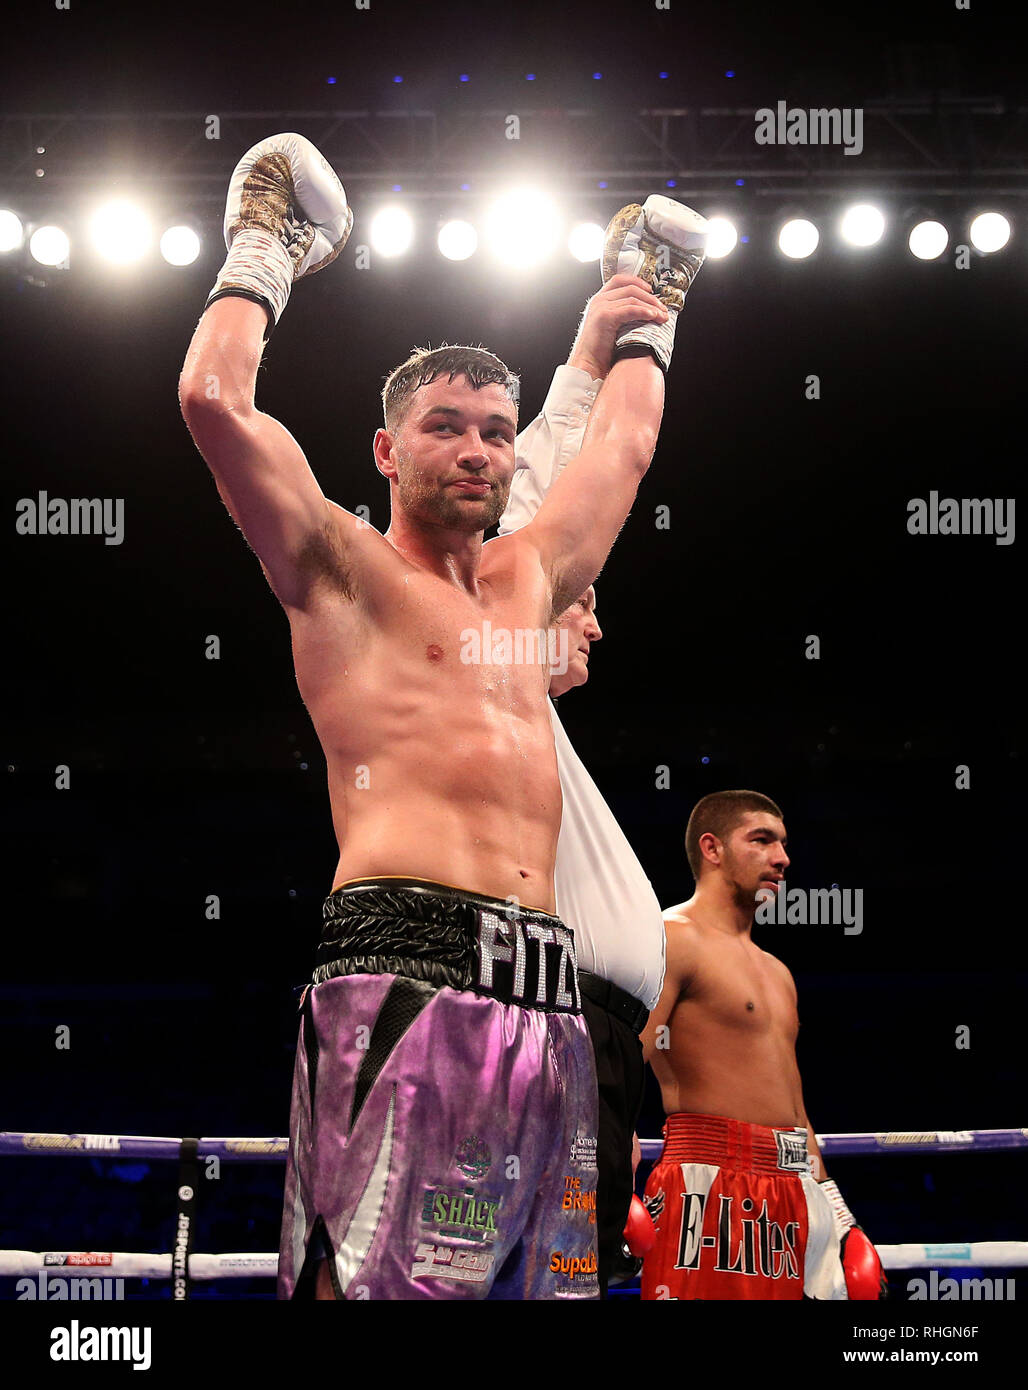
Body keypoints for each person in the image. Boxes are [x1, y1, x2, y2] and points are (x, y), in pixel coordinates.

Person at [178, 131, 706, 1299]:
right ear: (383, 447)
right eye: (444, 425)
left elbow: (622, 448)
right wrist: (264, 247)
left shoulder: (526, 582)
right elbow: (212, 403)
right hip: (401, 974)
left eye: (494, 432)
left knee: (554, 1291)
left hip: (555, 1003)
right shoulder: (339, 568)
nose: (475, 448)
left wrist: (648, 313)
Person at [639, 790, 886, 1300]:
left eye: (784, 843)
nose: (782, 858)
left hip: (797, 1190)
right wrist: (611, 1179)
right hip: (710, 1182)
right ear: (712, 849)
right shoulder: (671, 937)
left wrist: (842, 1219)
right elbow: (623, 1058)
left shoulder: (779, 974)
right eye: (762, 840)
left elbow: (796, 1109)